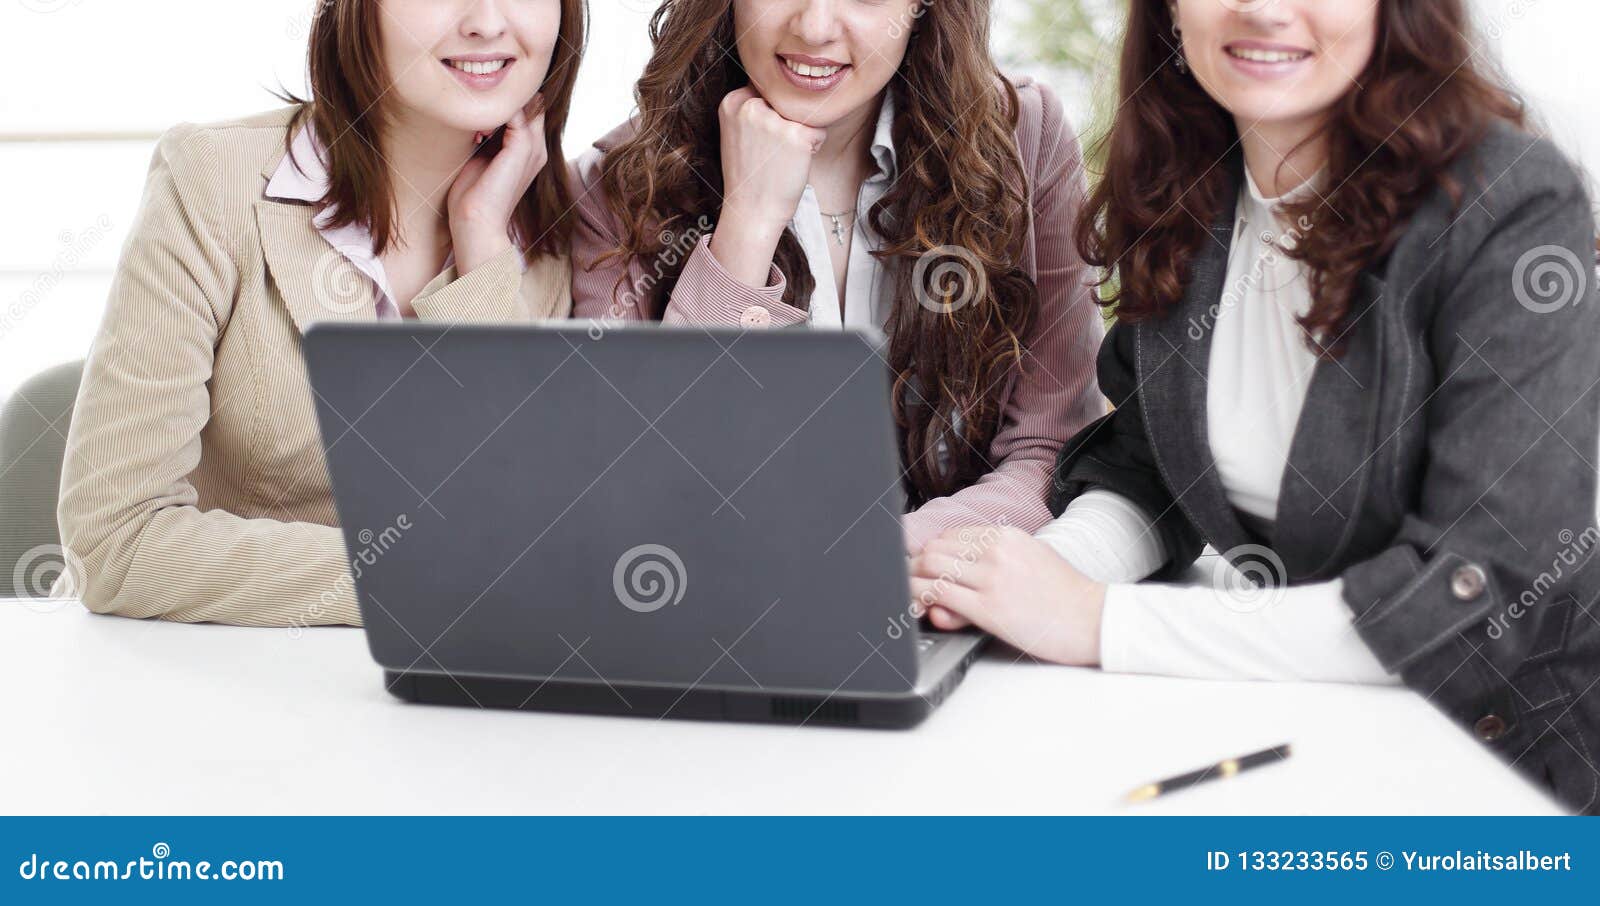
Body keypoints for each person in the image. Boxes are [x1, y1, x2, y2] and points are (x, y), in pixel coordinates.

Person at [910, 0, 1600, 812]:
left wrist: (1099, 622)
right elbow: (1149, 467)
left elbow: (1476, 589)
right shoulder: (1188, 186)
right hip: (1311, 729)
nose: (1264, 9)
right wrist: (1035, 577)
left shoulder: (1510, 207)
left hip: (1509, 763)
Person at [56, 0, 585, 626]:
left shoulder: (555, 234)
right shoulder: (210, 180)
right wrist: (418, 577)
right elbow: (117, 542)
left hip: (425, 703)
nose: (487, 22)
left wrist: (482, 242)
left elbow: (518, 540)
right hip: (193, 678)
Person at [569, 0, 1105, 552]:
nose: (814, 27)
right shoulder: (616, 187)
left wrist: (880, 557)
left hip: (952, 608)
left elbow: (1050, 449)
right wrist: (747, 222)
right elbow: (639, 485)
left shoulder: (1023, 138)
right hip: (729, 615)